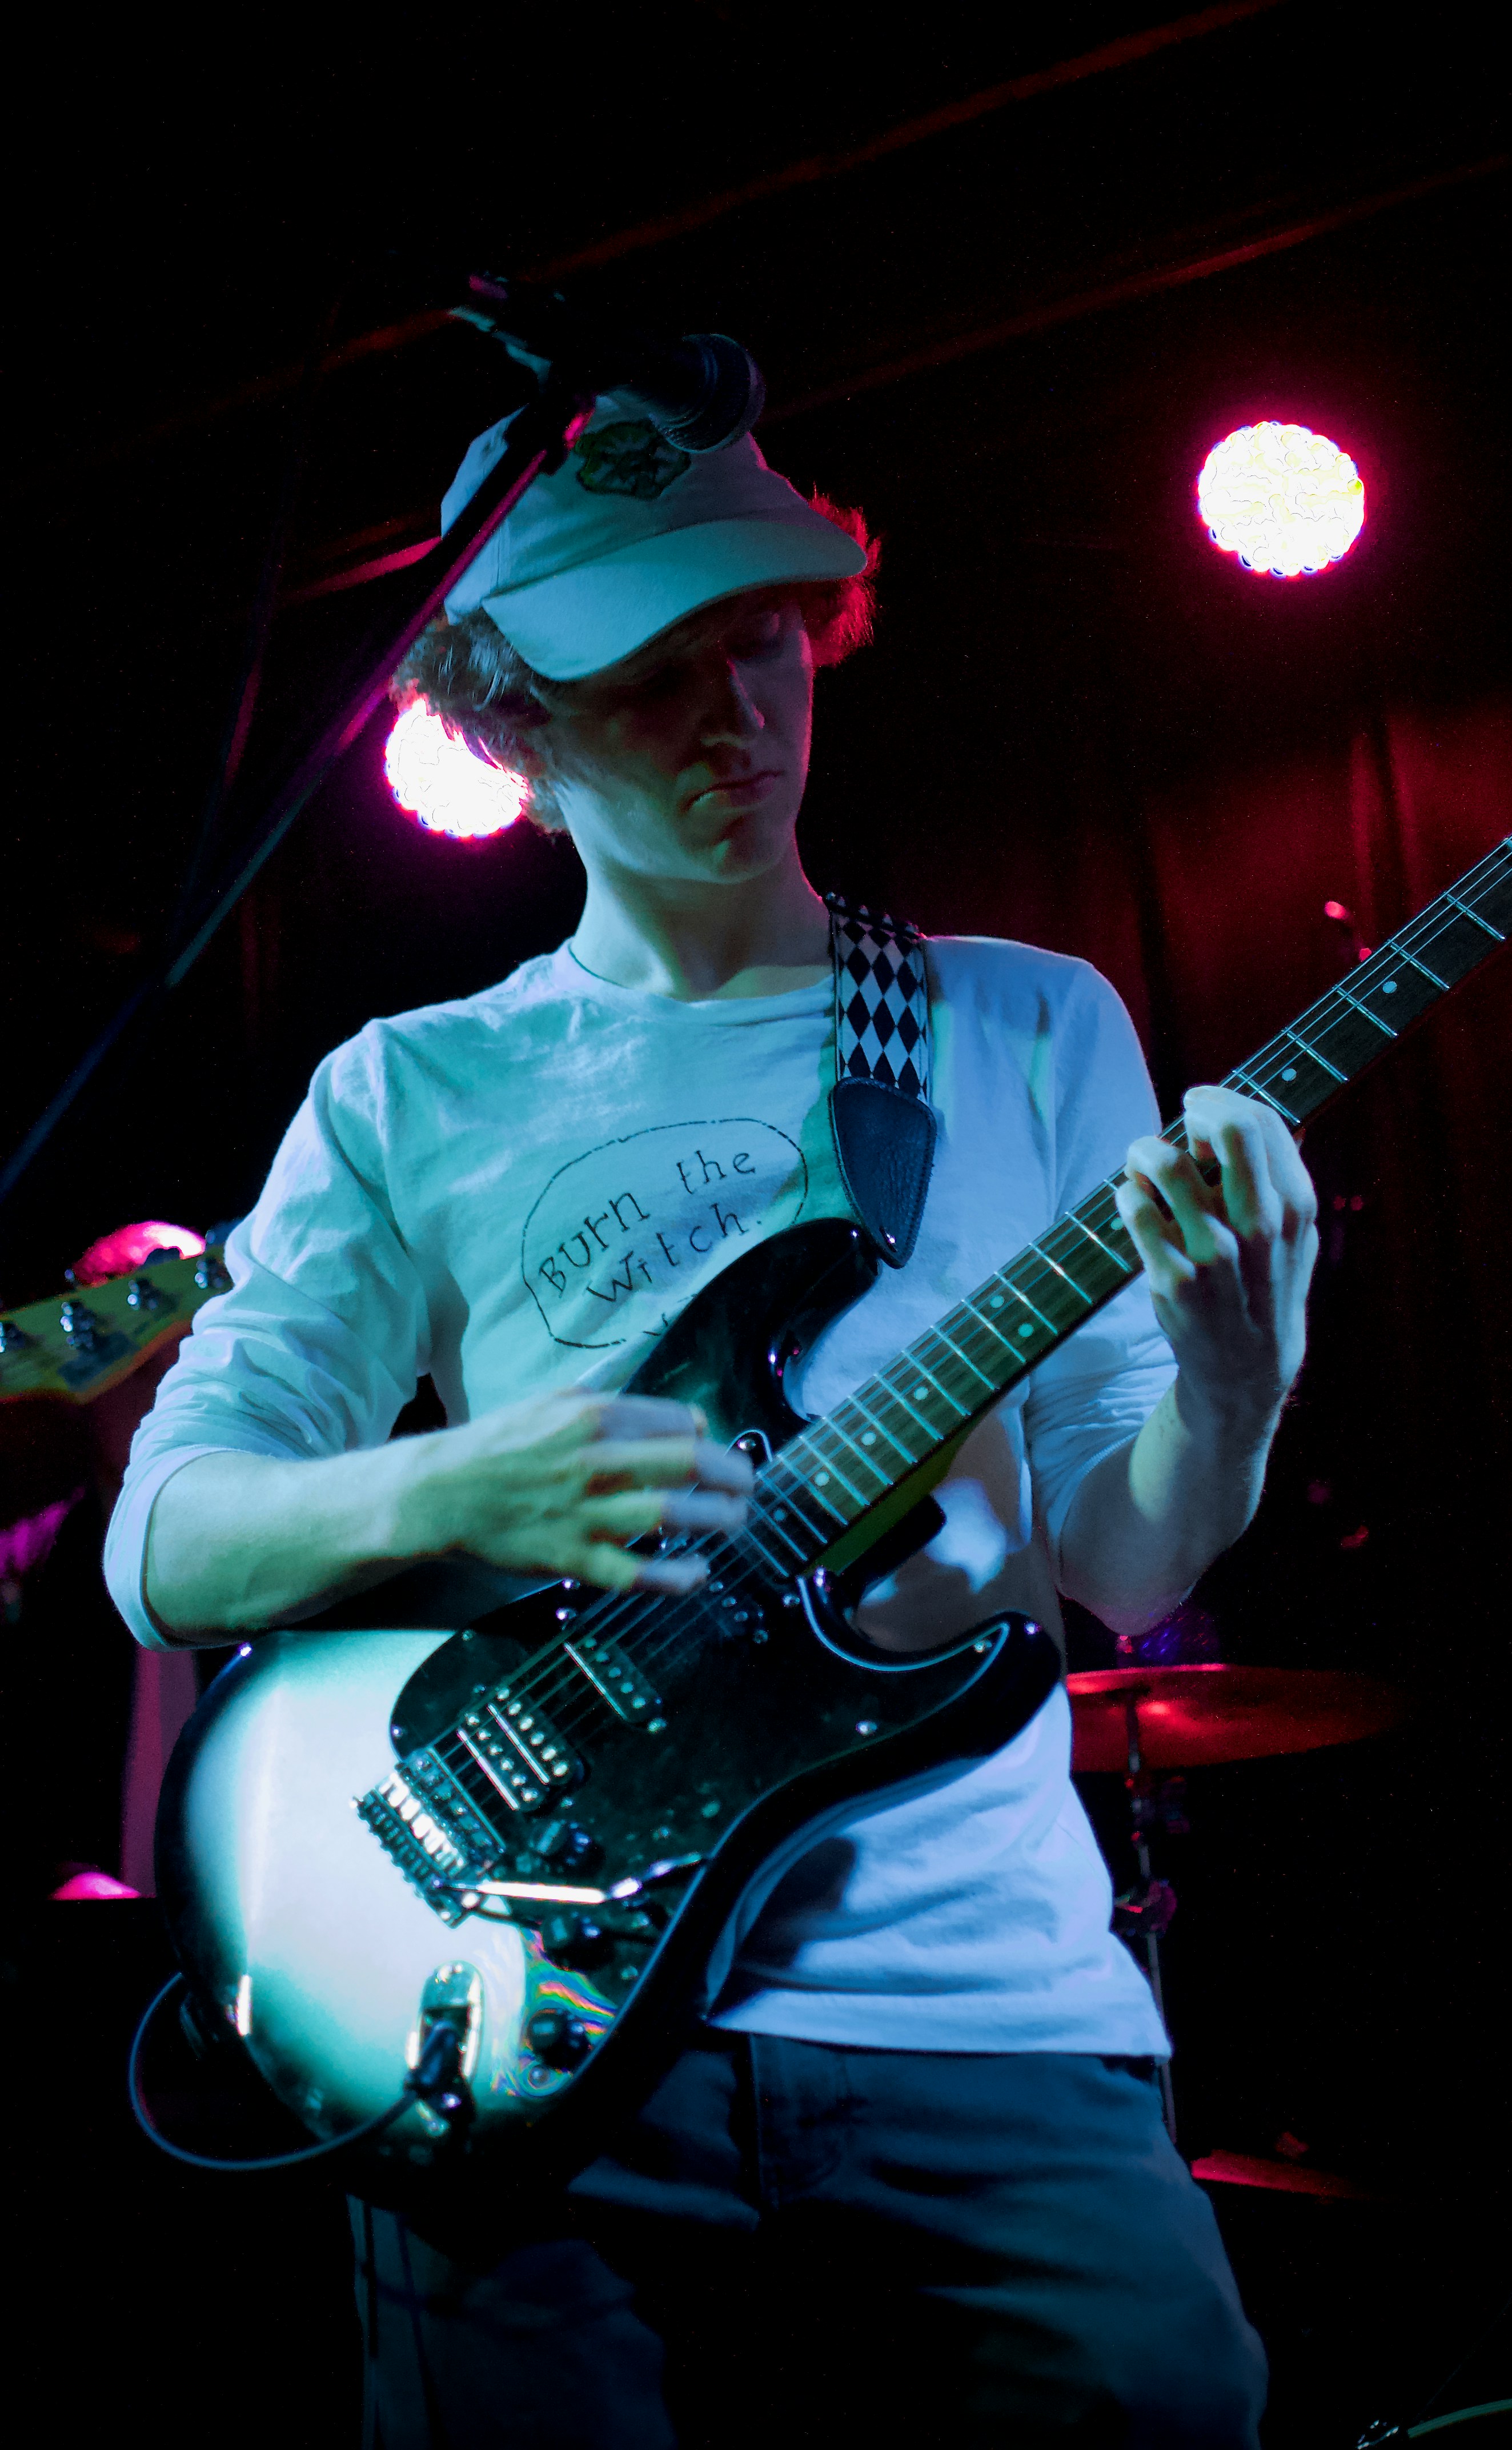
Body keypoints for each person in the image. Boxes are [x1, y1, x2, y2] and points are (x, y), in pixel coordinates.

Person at [106, 392, 1317, 2447]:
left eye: (761, 638)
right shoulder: (411, 1092)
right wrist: (459, 1476)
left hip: (987, 2016)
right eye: (651, 679)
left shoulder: (1024, 1024)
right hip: (524, 2010)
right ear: (507, 729)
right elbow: (167, 1547)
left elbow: (1129, 1563)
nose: (734, 715)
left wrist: (1234, 1370)